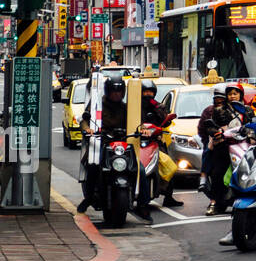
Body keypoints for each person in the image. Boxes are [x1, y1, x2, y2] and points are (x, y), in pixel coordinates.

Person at [76, 76, 130, 214]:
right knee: (93, 166)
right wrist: (88, 129)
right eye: (113, 90)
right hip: (101, 142)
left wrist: (143, 129)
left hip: (122, 145)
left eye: (119, 91)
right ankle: (88, 198)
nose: (116, 94)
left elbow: (137, 122)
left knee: (139, 169)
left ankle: (143, 203)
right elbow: (85, 119)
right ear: (107, 91)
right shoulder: (97, 105)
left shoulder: (126, 108)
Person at [136, 79, 183, 214]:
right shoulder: (134, 106)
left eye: (150, 92)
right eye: (145, 92)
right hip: (136, 140)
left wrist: (157, 107)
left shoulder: (158, 106)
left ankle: (168, 195)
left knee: (169, 164)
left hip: (154, 141)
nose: (148, 95)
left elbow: (165, 121)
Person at [198, 85, 236, 216]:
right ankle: (214, 201)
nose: (233, 96)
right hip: (220, 145)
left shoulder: (245, 110)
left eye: (235, 93)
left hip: (240, 146)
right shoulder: (216, 111)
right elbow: (207, 128)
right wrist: (217, 133)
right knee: (217, 173)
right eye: (230, 94)